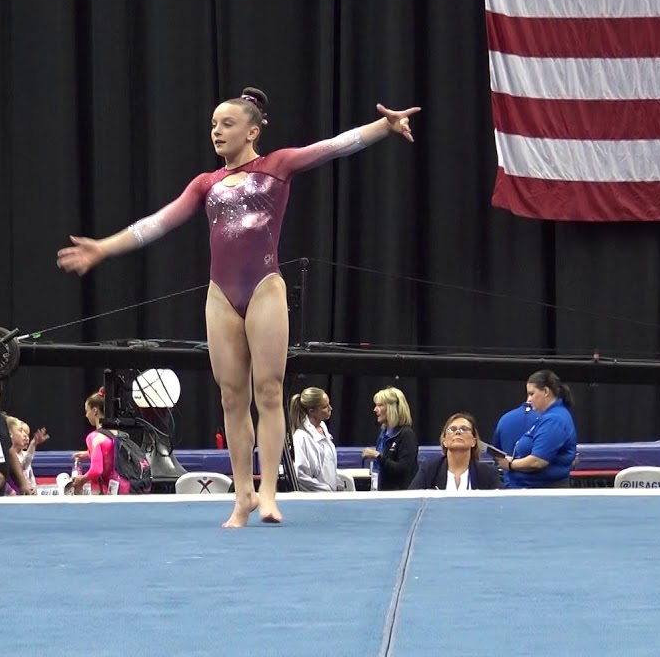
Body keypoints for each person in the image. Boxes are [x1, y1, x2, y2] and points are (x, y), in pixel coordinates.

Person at [57, 88, 420, 526]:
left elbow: (333, 147)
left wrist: (385, 125)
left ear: (253, 130)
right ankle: (242, 495)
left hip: (265, 289)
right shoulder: (205, 184)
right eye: (213, 125)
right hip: (220, 296)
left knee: (268, 392)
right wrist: (103, 249)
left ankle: (268, 492)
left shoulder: (278, 166)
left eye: (226, 124)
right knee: (232, 398)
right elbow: (159, 222)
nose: (216, 131)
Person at [495, 370, 578, 489]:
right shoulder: (549, 417)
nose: (528, 400)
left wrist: (510, 464)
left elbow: (537, 461)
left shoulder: (554, 420)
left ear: (545, 391)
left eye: (532, 393)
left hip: (543, 494)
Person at [409, 413, 503, 491]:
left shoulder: (488, 474)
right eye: (452, 429)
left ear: (473, 441)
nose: (458, 432)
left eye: (464, 429)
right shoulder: (429, 470)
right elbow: (410, 500)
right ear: (444, 441)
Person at [70, 390, 131, 496]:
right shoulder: (117, 433)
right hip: (128, 487)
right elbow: (110, 453)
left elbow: (96, 470)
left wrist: (81, 480)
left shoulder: (94, 437)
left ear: (94, 411)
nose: (86, 415)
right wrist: (87, 454)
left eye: (87, 411)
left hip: (111, 492)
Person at [361, 387, 418, 491]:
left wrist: (377, 456)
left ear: (392, 408)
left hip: (399, 495)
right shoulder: (383, 433)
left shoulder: (406, 435)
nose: (375, 409)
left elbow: (403, 469)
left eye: (380, 405)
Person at [288, 387, 342, 492]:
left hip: (330, 496)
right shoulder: (301, 437)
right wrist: (326, 490)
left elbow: (329, 467)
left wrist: (338, 485)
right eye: (325, 407)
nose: (330, 408)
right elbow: (301, 476)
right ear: (312, 412)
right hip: (316, 499)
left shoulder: (323, 428)